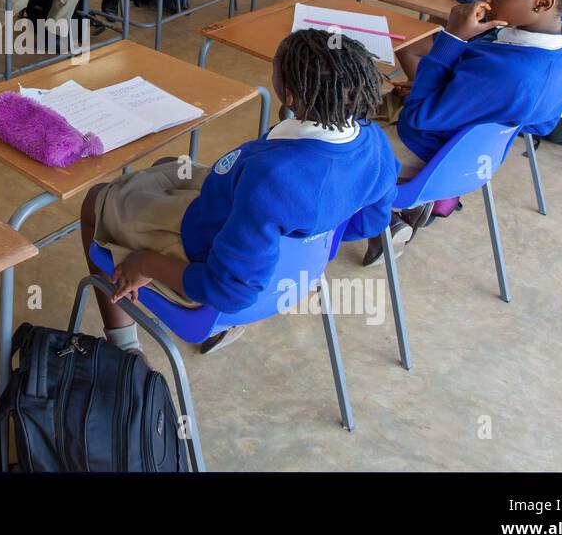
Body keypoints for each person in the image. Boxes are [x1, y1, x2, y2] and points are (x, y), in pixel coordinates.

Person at [79, 29, 398, 354]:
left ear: (288, 95)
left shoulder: (273, 176)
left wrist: (145, 264)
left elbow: (228, 290)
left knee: (96, 200)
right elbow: (368, 223)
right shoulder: (375, 144)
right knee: (169, 164)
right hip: (247, 228)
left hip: (201, 243)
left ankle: (123, 346)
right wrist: (305, 239)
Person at [368, 0, 562, 264]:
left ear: (543, 2)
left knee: (325, 123)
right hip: (470, 156)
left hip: (421, 144)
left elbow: (417, 118)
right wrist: (465, 102)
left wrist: (453, 39)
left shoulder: (510, 71)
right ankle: (428, 200)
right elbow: (540, 125)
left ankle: (383, 212)